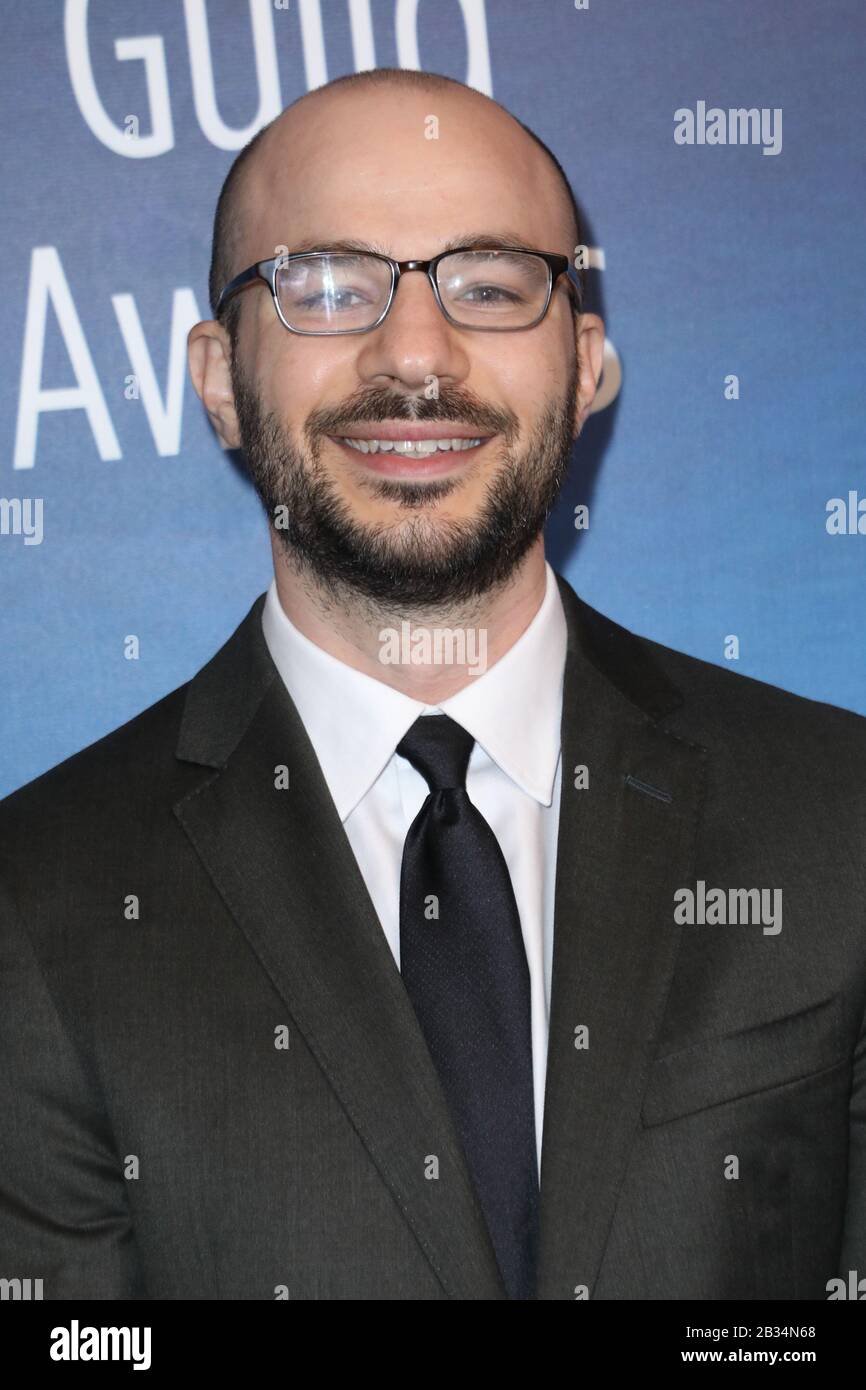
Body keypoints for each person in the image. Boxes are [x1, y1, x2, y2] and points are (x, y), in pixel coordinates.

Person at [0, 67, 864, 1302]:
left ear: (585, 364)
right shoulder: (36, 901)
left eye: (491, 286)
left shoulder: (839, 816)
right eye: (328, 285)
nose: (414, 352)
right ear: (213, 377)